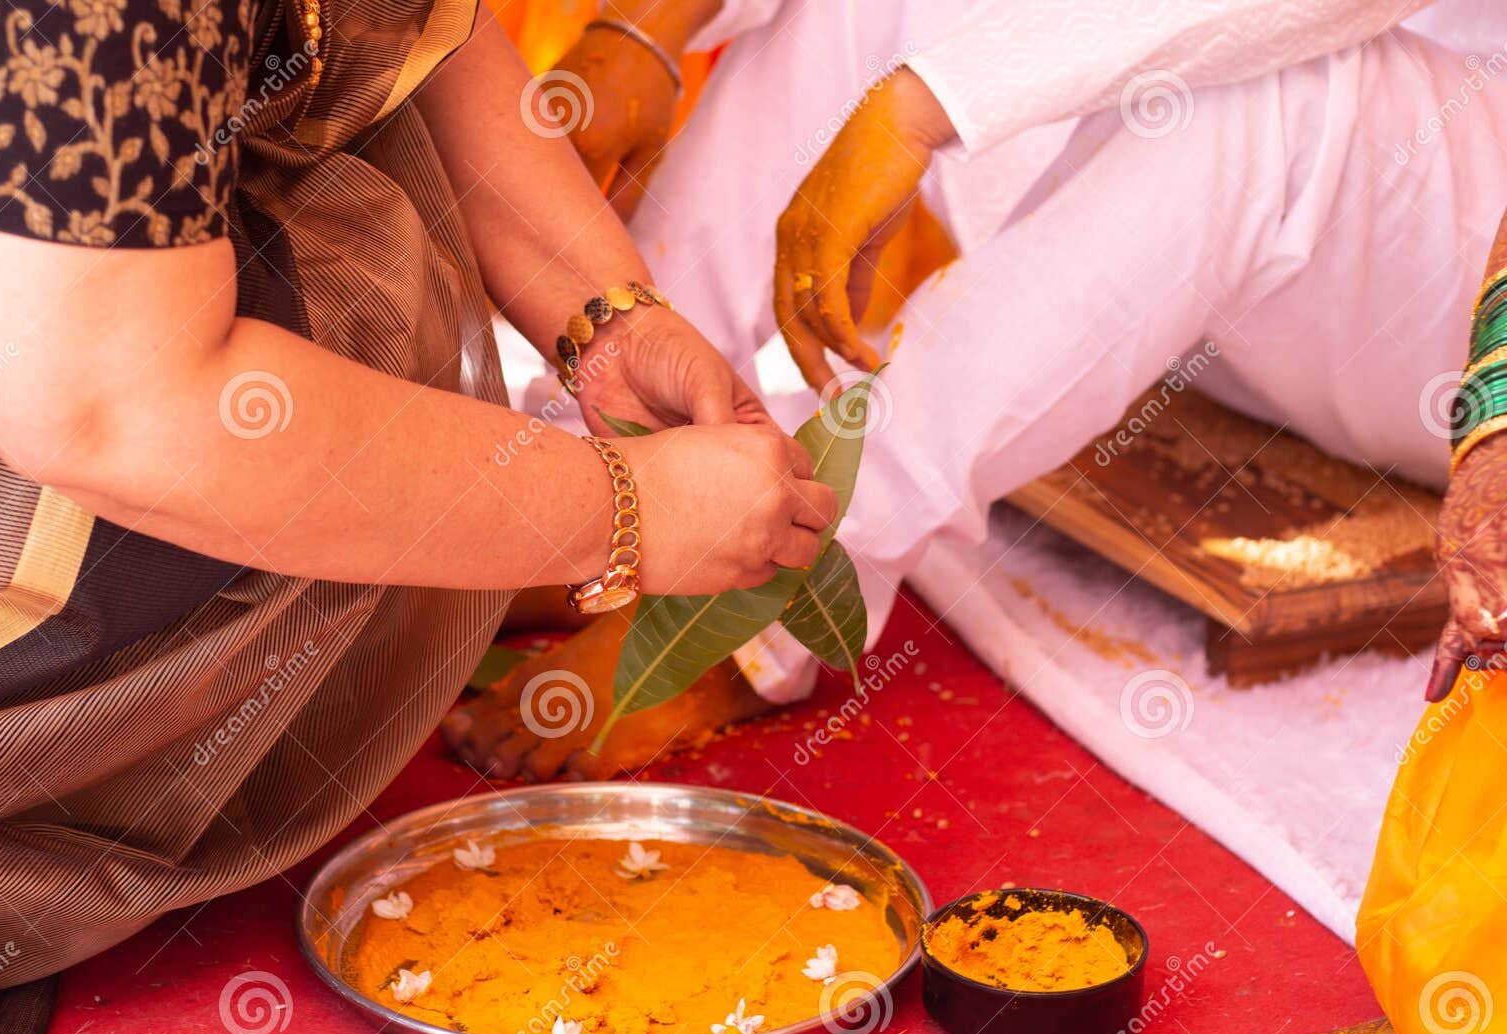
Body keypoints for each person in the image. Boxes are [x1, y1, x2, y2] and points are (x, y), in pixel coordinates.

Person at [0, 0, 837, 1034]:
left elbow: (399, 21)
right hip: (26, 371)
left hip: (80, 304)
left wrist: (604, 319)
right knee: (282, 392)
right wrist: (625, 509)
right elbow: (106, 396)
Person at [446, 0, 1507, 778]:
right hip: (1235, 230)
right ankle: (617, 474)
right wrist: (644, 33)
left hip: (1448, 274)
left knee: (1286, 83)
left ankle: (772, 591)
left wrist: (918, 106)